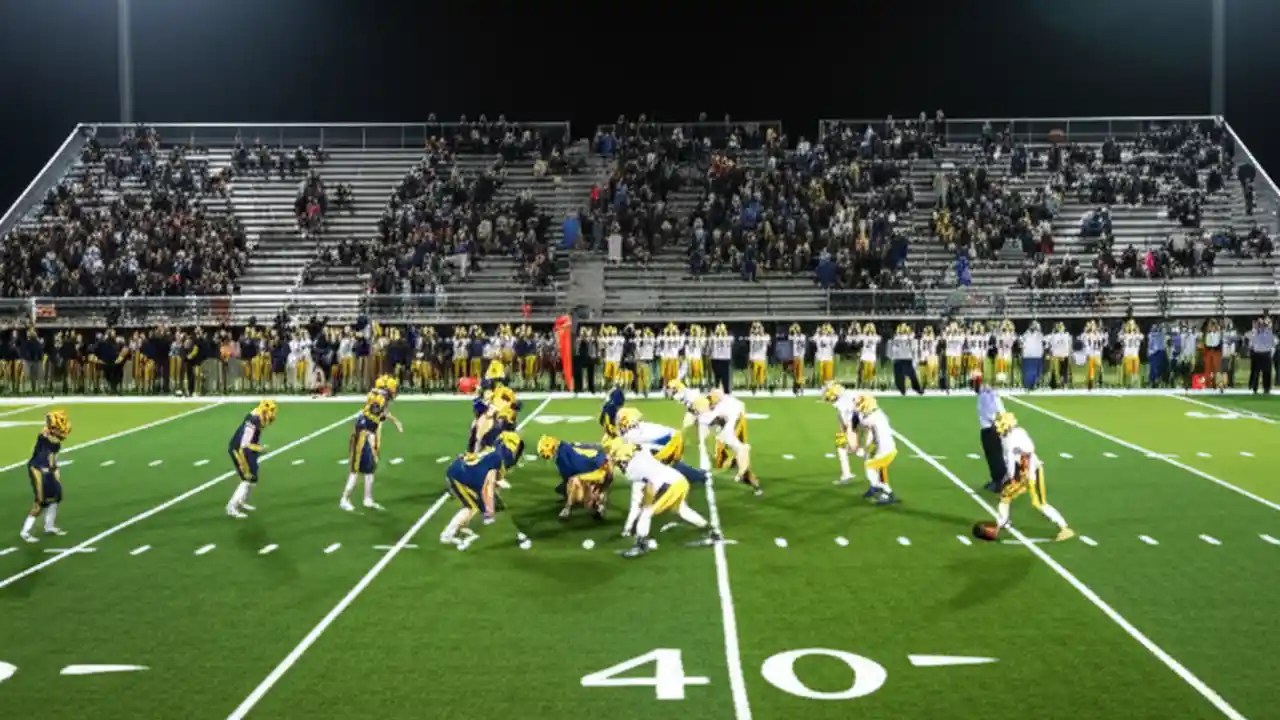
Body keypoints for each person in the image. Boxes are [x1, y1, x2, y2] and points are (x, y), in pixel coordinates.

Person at [992, 411, 1075, 542]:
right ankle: (1001, 523)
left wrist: (1013, 475)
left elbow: (1028, 450)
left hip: (1032, 471)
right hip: (1022, 471)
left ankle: (1064, 528)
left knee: (1040, 503)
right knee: (1005, 495)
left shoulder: (1012, 438)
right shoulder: (1012, 435)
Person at [22, 410, 71, 543]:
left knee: (56, 496)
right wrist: (52, 421)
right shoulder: (44, 435)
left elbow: (52, 460)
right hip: (36, 468)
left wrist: (56, 473)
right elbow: (47, 423)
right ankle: (25, 531)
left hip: (48, 469)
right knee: (40, 501)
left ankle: (49, 526)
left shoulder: (56, 443)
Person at [227, 400, 277, 518]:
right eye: (271, 411)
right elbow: (244, 444)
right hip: (239, 450)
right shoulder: (253, 421)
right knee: (246, 478)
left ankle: (241, 501)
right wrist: (259, 449)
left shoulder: (258, 416)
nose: (272, 414)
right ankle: (231, 507)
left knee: (253, 477)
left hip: (248, 448)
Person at [974, 371, 1006, 493]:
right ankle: (995, 479)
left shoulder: (989, 396)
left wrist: (995, 423)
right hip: (988, 428)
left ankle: (1000, 481)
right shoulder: (986, 394)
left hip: (991, 429)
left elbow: (994, 413)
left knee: (995, 456)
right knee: (991, 456)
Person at [1248, 317, 1274, 394]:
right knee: (1256, 372)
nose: (1260, 325)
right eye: (1259, 324)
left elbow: (1272, 343)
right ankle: (1254, 387)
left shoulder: (1268, 332)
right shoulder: (1254, 332)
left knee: (1267, 372)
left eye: (1262, 324)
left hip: (1266, 353)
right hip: (1257, 354)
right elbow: (1251, 344)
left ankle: (1267, 388)